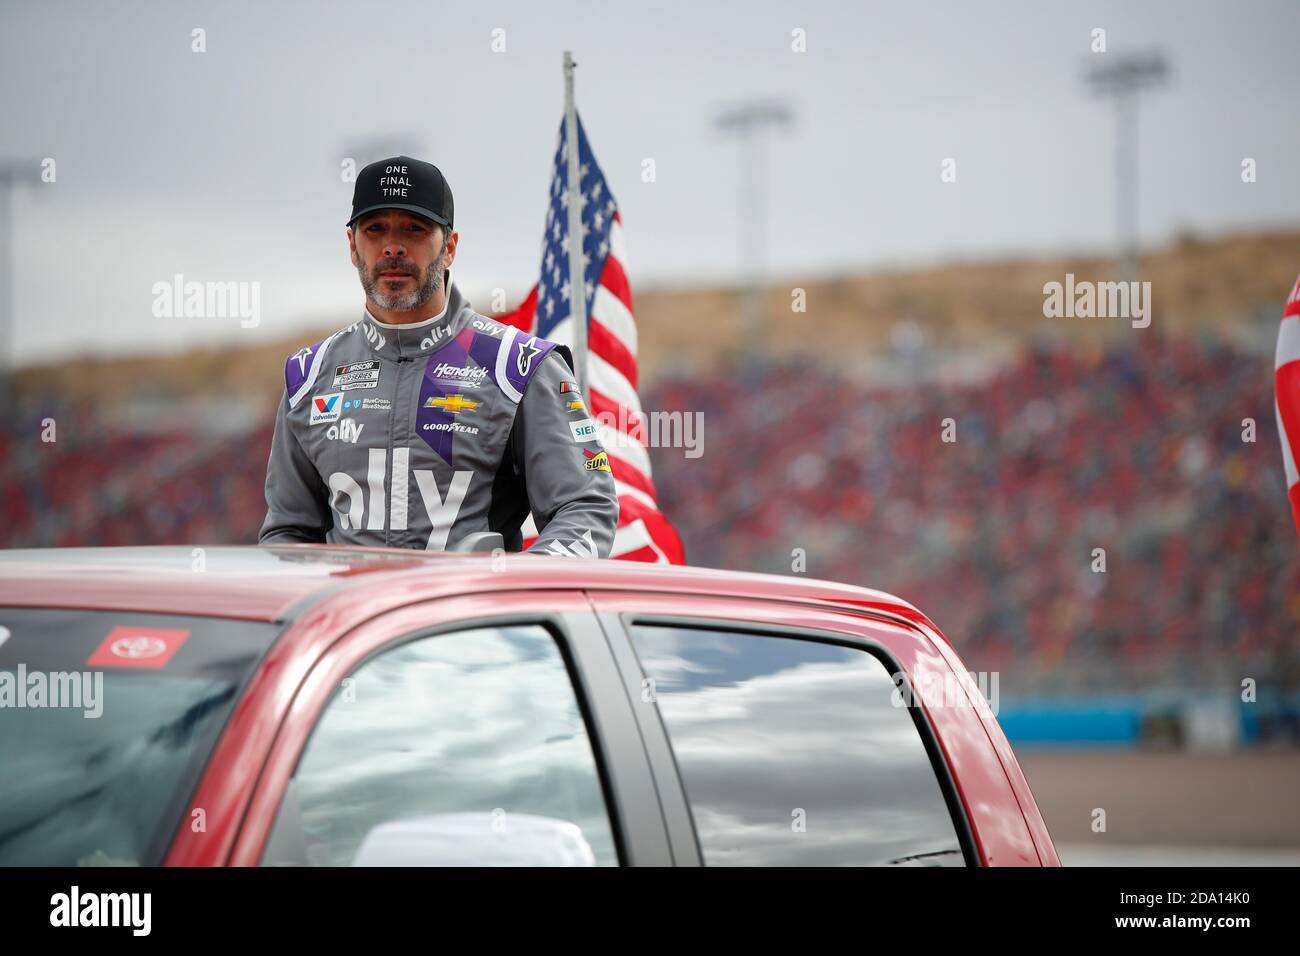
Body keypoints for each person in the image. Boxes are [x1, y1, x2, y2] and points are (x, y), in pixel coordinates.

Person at [258, 156, 619, 556]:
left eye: (414, 229)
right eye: (375, 229)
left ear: (448, 247)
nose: (393, 246)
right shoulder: (310, 375)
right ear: (352, 246)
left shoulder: (518, 366)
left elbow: (585, 509)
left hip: (472, 619)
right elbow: (287, 534)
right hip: (357, 618)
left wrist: (510, 594)